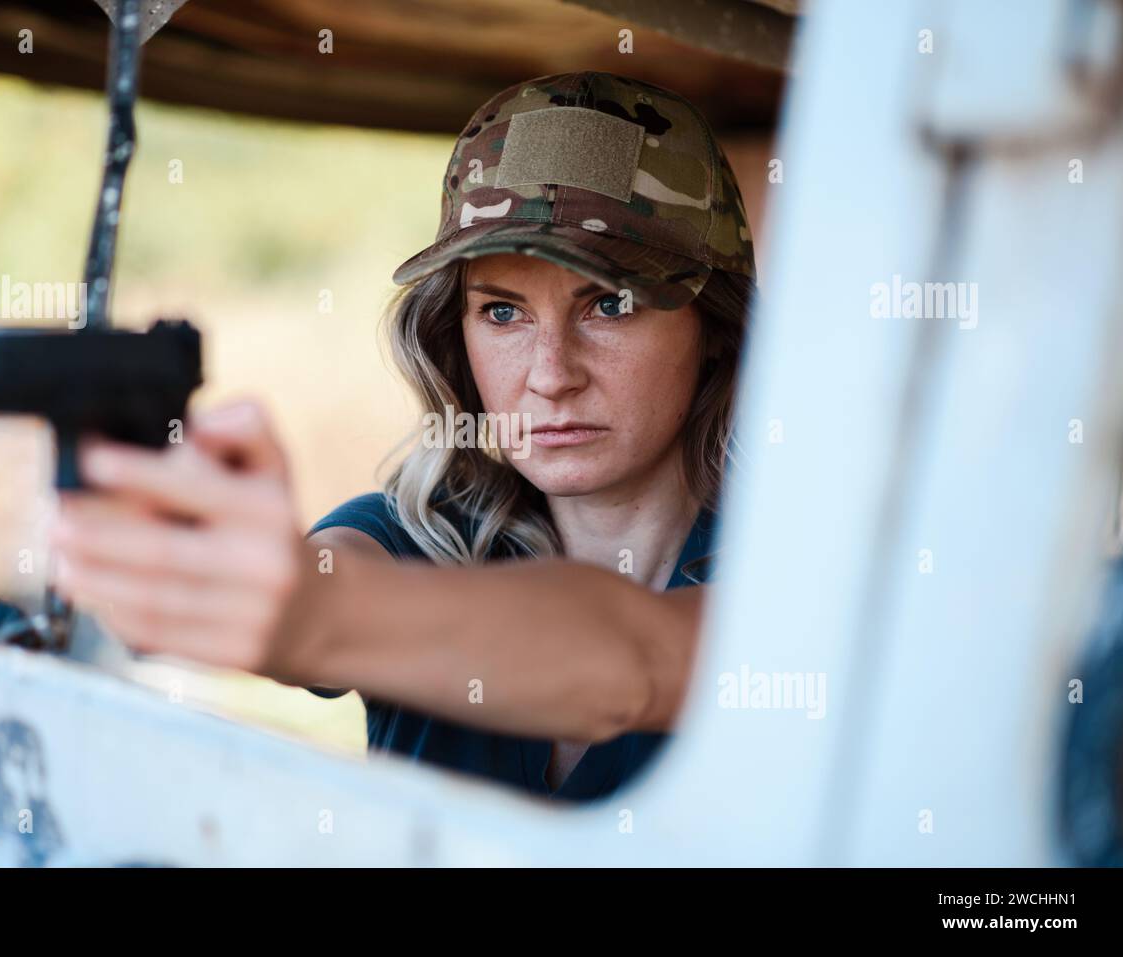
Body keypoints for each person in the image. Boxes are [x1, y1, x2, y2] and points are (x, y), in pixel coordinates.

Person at [48, 71, 757, 802]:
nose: (551, 375)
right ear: (454, 334)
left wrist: (309, 612)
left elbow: (635, 663)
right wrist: (193, 548)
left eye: (609, 304)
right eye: (503, 313)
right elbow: (324, 581)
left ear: (715, 330)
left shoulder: (798, 577)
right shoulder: (411, 533)